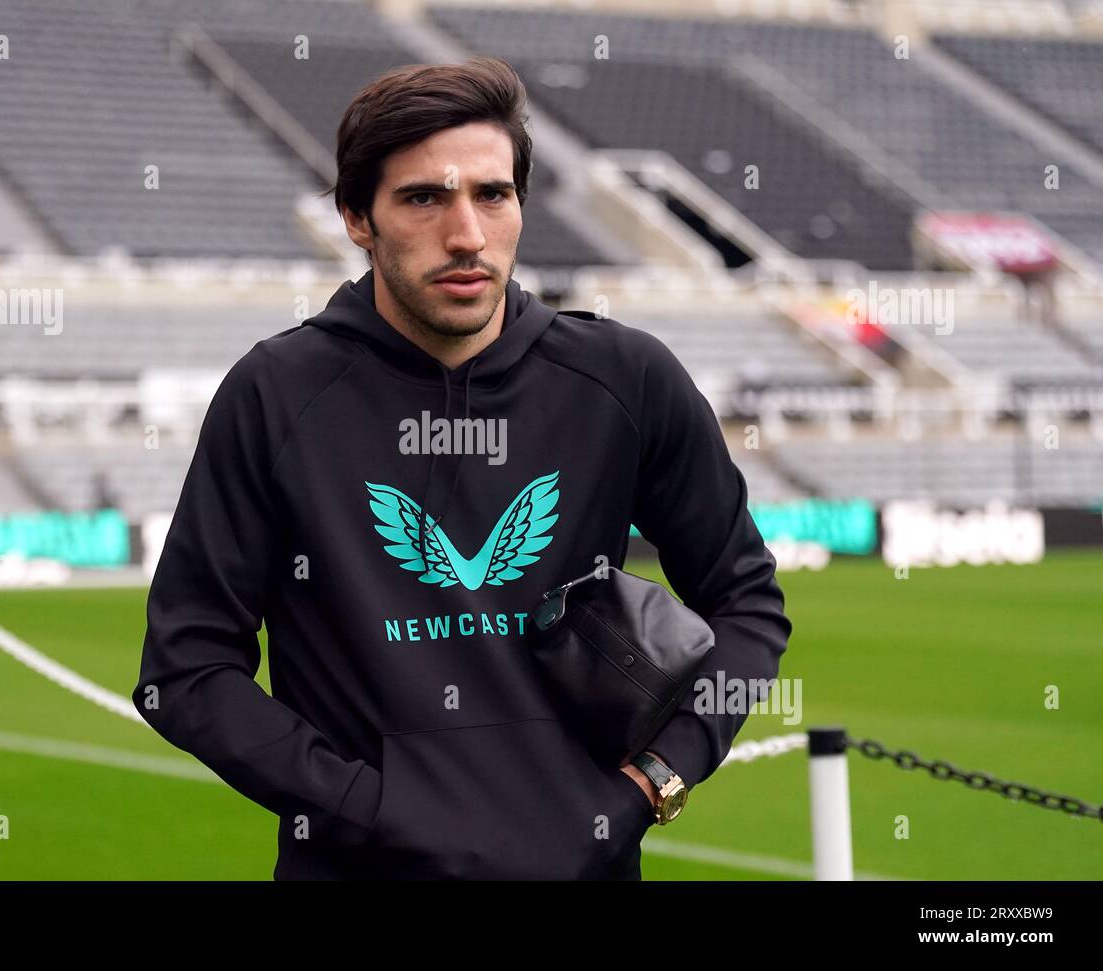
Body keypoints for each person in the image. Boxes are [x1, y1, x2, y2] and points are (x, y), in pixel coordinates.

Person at [132, 56, 791, 880]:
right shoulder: (274, 394)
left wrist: (653, 782)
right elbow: (185, 672)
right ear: (356, 218)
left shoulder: (626, 378)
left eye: (492, 194)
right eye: (423, 198)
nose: (467, 235)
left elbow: (748, 602)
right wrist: (372, 810)